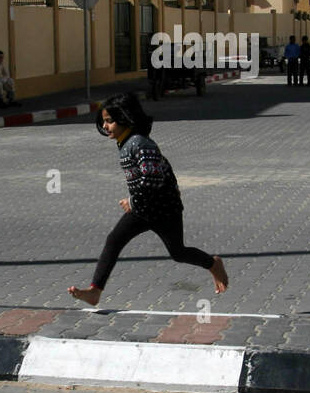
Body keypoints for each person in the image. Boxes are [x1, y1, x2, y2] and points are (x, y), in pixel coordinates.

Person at [68, 93, 228, 306]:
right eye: (104, 121)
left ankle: (213, 263)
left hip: (165, 209)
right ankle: (95, 291)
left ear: (125, 118)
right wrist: (136, 203)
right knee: (114, 240)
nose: (105, 126)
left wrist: (132, 202)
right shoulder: (125, 142)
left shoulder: (141, 144)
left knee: (178, 252)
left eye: (110, 121)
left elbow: (152, 179)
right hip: (144, 209)